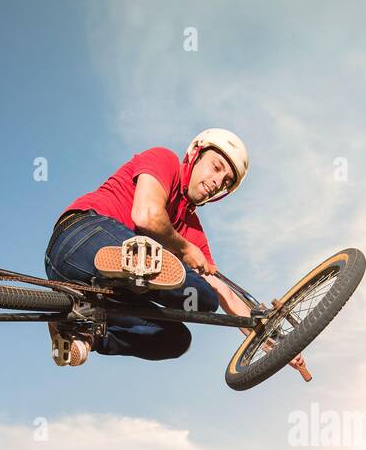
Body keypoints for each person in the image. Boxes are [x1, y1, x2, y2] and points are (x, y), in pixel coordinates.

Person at [42, 128, 252, 367]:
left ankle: (81, 334)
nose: (217, 182)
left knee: (189, 321)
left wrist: (270, 341)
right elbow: (146, 216)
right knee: (173, 266)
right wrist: (183, 249)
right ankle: (133, 263)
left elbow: (221, 291)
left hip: (86, 285)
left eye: (225, 182)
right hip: (82, 237)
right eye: (216, 168)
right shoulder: (165, 159)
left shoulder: (192, 229)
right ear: (195, 155)